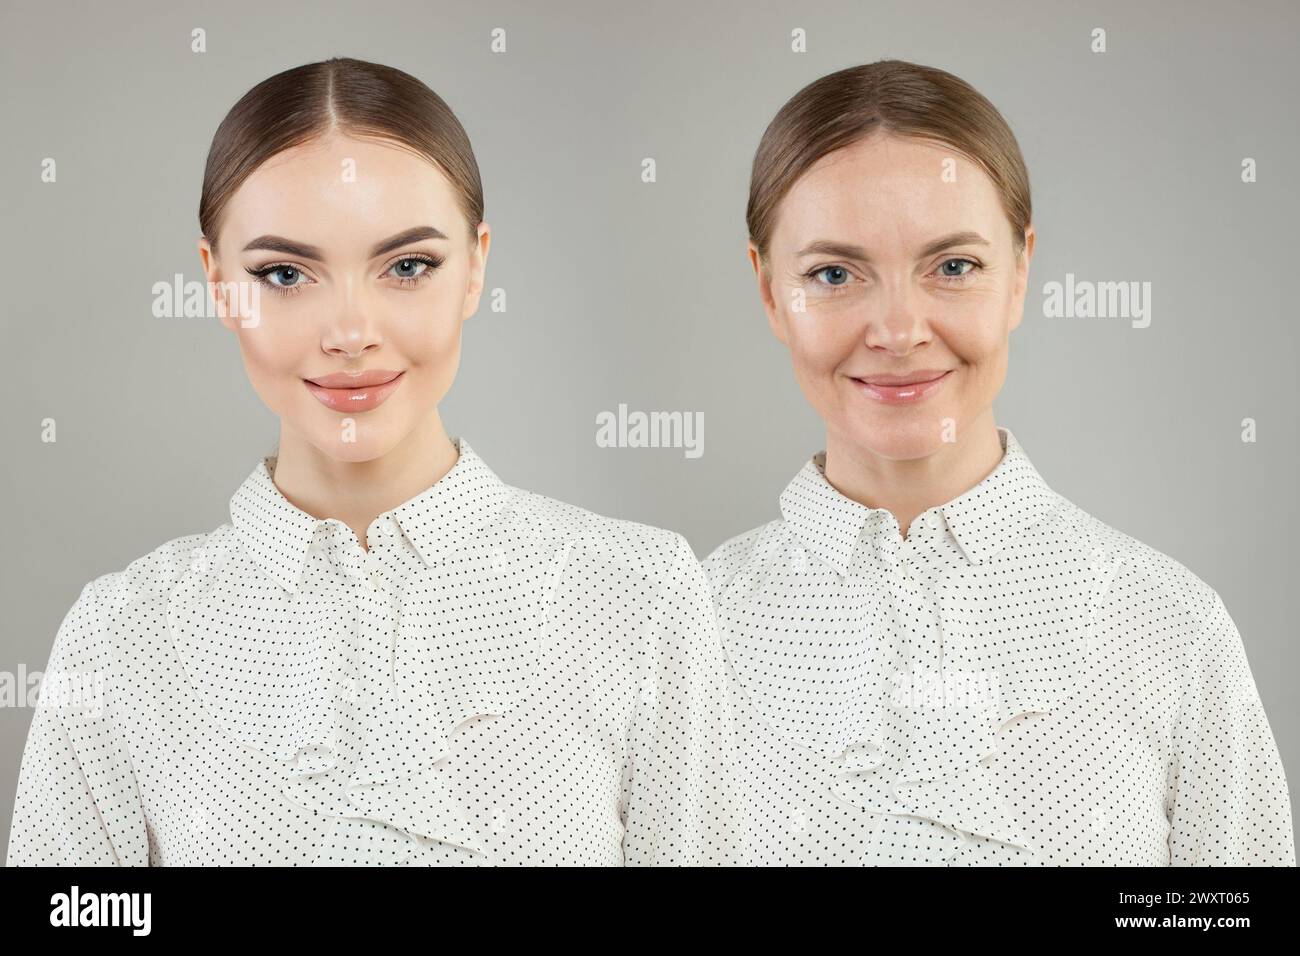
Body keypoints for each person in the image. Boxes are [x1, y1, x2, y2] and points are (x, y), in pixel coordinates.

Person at [7, 56, 738, 866]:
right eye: (284, 274)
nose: (350, 333)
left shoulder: (642, 591)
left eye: (407, 267)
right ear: (217, 283)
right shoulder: (121, 633)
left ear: (475, 266)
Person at [703, 59, 1294, 865]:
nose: (899, 329)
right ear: (770, 291)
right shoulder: (678, 631)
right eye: (834, 274)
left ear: (1019, 274)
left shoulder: (1168, 623)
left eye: (954, 267)